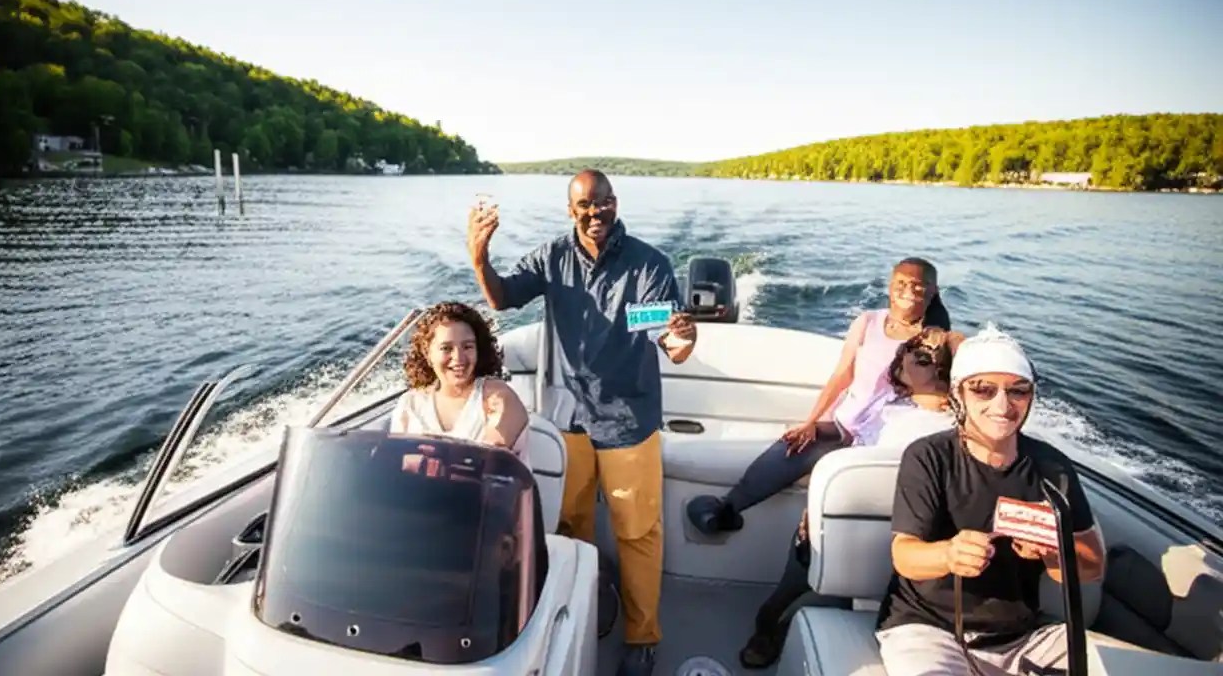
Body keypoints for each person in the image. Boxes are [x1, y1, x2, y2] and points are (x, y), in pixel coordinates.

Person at [466, 169, 698, 676]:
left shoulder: (648, 265)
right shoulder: (552, 258)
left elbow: (668, 340)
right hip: (567, 415)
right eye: (585, 206)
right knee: (570, 525)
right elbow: (502, 297)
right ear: (570, 211)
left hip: (627, 420)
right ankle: (583, 603)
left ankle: (642, 636)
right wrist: (480, 256)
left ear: (616, 203)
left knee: (636, 532)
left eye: (604, 203)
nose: (596, 214)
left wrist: (684, 338)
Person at [875, 324, 1106, 676]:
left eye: (1018, 391)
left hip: (1025, 635)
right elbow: (904, 554)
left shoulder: (1053, 467)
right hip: (929, 629)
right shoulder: (929, 457)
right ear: (958, 395)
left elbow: (1093, 565)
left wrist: (1051, 552)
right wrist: (949, 554)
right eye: (983, 389)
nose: (1003, 405)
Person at [737, 327, 958, 669]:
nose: (907, 353)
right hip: (832, 517)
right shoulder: (892, 400)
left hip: (889, 531)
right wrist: (813, 428)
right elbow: (854, 438)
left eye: (923, 355)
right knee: (785, 592)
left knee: (846, 599)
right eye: (910, 347)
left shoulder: (941, 433)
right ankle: (770, 626)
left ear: (944, 375)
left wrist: (953, 347)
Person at [687, 258, 954, 536]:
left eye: (918, 286)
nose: (908, 291)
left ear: (933, 292)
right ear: (890, 286)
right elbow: (842, 374)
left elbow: (940, 391)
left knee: (827, 499)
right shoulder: (868, 322)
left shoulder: (934, 340)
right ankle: (728, 508)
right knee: (794, 444)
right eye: (901, 283)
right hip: (846, 424)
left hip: (883, 437)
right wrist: (811, 421)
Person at [390, 301, 530, 462]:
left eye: (467, 347)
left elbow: (488, 464)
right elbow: (395, 464)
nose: (458, 358)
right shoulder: (409, 404)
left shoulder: (499, 398)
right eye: (446, 348)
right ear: (427, 353)